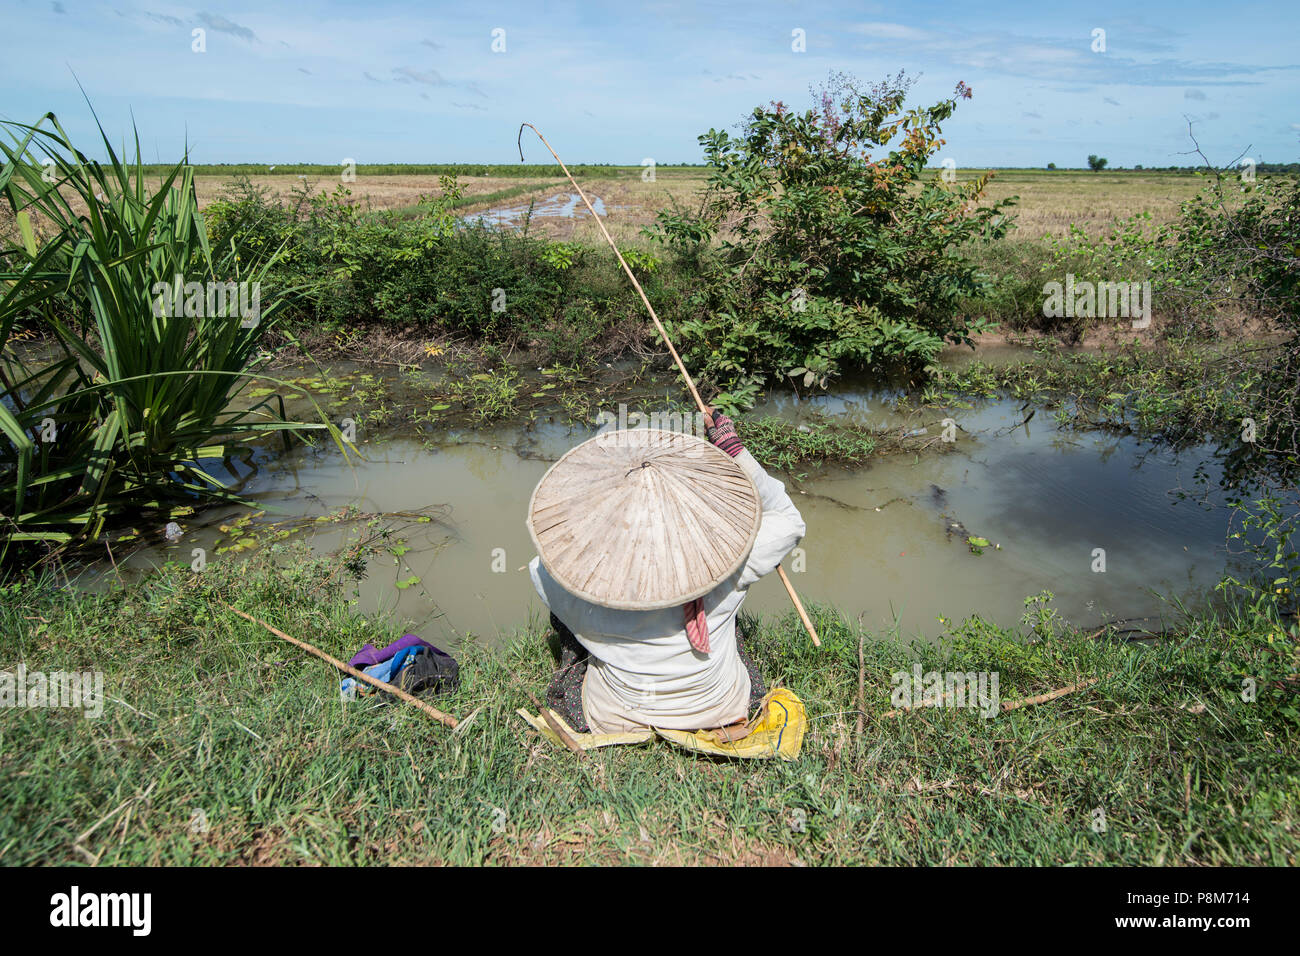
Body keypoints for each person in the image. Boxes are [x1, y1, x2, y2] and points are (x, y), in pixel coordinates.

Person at [527, 409, 806, 734]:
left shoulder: (582, 583)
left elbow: (541, 566)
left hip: (615, 715)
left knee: (564, 617)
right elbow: (788, 519)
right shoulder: (732, 568)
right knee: (729, 620)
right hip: (718, 706)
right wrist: (735, 451)